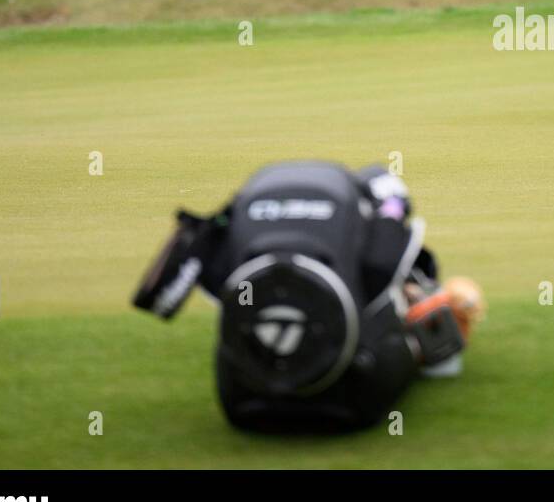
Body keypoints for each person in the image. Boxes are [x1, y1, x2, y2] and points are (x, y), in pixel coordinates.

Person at [133, 159, 484, 432]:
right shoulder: (370, 220)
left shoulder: (237, 220)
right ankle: (436, 335)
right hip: (354, 401)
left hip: (248, 404)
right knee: (418, 309)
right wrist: (393, 208)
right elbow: (384, 265)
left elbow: (166, 298)